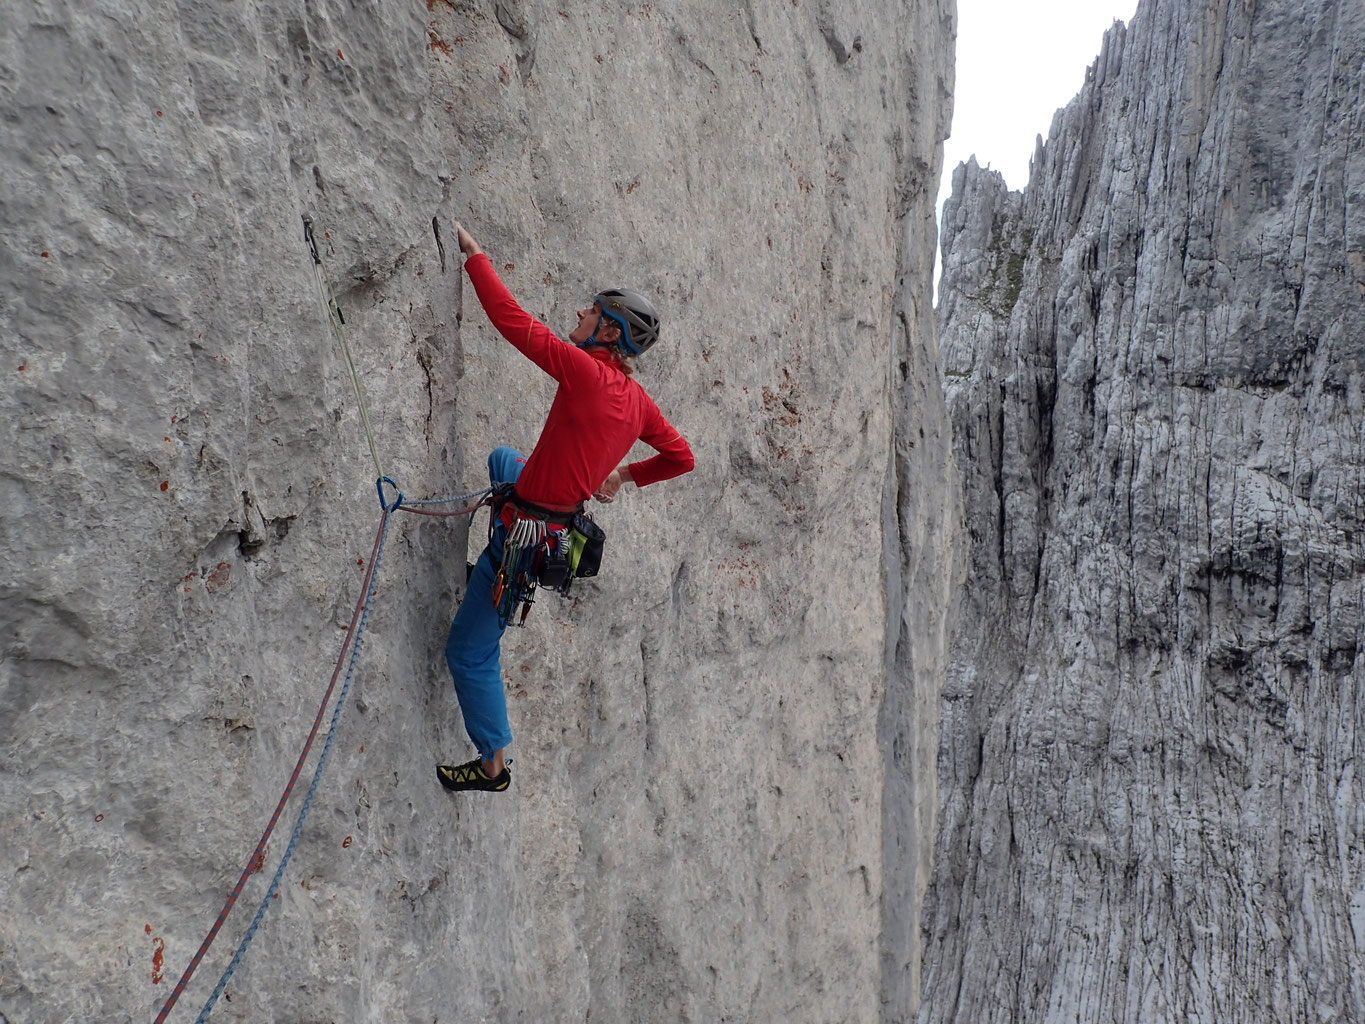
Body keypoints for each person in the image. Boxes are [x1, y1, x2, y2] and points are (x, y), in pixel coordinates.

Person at [437, 223, 695, 793]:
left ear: (608, 330)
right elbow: (682, 457)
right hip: (555, 517)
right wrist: (624, 475)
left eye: (591, 312)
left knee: (469, 652)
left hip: (524, 543)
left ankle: (492, 766)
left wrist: (475, 255)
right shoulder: (637, 403)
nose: (579, 314)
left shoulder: (583, 373)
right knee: (505, 460)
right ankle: (490, 562)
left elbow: (512, 322)